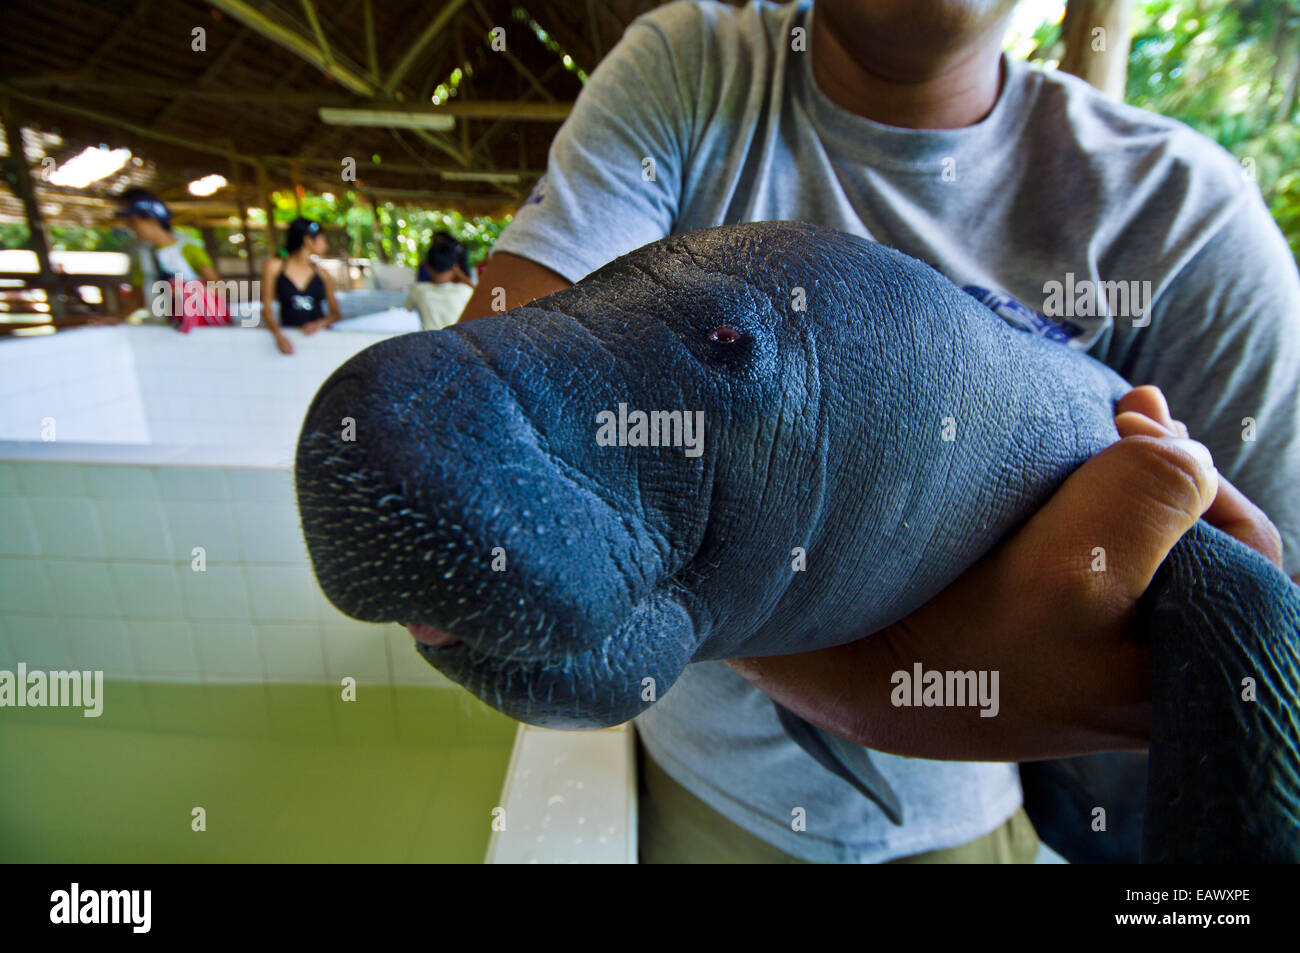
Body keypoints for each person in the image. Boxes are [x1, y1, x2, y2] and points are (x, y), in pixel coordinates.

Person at [452, 0, 1300, 863]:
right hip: (708, 787)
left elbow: (1266, 583)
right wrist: (876, 688)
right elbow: (504, 463)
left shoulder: (1185, 212)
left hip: (969, 815)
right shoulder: (700, 65)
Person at [115, 188, 226, 331]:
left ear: (151, 220)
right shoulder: (143, 256)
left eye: (133, 222)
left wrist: (186, 291)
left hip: (193, 331)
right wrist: (118, 317)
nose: (130, 227)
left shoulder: (187, 249)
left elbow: (219, 288)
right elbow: (137, 297)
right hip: (161, 329)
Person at [259, 218, 342, 355]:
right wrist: (278, 335)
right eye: (322, 239)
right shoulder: (274, 267)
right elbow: (267, 309)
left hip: (320, 341)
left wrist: (318, 324)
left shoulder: (322, 274)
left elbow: (335, 314)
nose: (325, 244)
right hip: (290, 340)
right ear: (308, 240)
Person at [405, 232, 474, 331]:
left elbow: (408, 308)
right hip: (457, 344)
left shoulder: (418, 290)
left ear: (427, 267)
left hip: (430, 343)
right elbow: (482, 299)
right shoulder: (465, 291)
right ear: (454, 267)